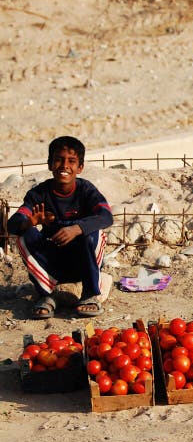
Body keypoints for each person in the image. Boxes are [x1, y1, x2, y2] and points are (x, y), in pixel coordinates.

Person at [8, 136, 113, 319]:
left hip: (82, 262)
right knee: (24, 235)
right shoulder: (38, 194)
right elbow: (13, 223)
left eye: (71, 161)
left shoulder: (86, 191)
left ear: (79, 167)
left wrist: (77, 228)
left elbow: (106, 216)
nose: (64, 165)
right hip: (52, 264)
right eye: (59, 159)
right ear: (50, 164)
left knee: (94, 232)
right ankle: (46, 295)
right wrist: (29, 223)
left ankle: (89, 294)